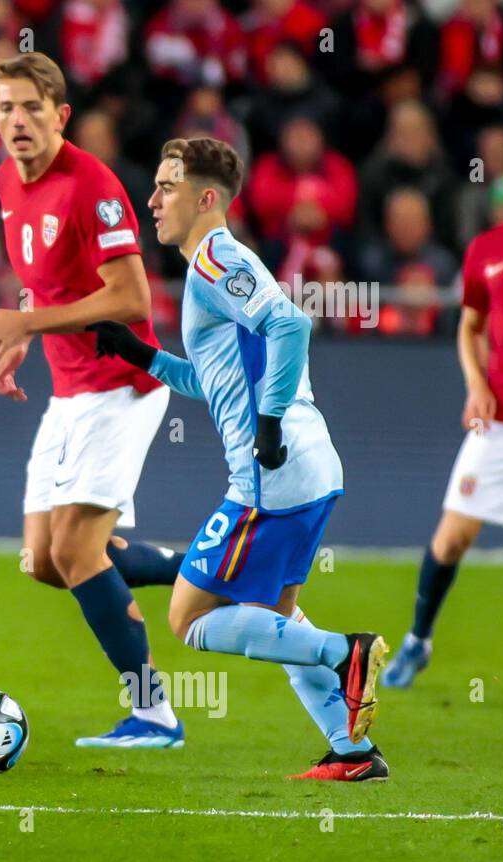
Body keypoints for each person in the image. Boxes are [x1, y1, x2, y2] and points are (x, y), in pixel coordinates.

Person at [91, 137, 391, 780]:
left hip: (271, 474)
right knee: (274, 618)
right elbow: (214, 380)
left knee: (189, 616)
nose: (152, 199)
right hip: (309, 469)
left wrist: (270, 423)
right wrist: (140, 355)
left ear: (206, 198)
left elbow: (292, 326)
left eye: (166, 186)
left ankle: (347, 654)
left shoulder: (216, 260)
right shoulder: (213, 265)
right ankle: (353, 752)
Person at [0, 52, 185, 749]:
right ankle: (199, 568)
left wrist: (26, 322)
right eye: (5, 107)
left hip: (122, 386)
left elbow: (130, 298)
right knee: (43, 560)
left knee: (76, 548)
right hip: (69, 390)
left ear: (61, 115)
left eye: (32, 107)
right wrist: (25, 336)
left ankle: (154, 712)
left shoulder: (91, 185)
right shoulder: (8, 179)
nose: (17, 121)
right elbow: (51, 286)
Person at [383, 129, 503, 688]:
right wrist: (476, 383)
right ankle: (418, 640)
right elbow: (470, 329)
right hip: (502, 421)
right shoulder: (487, 252)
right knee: (450, 539)